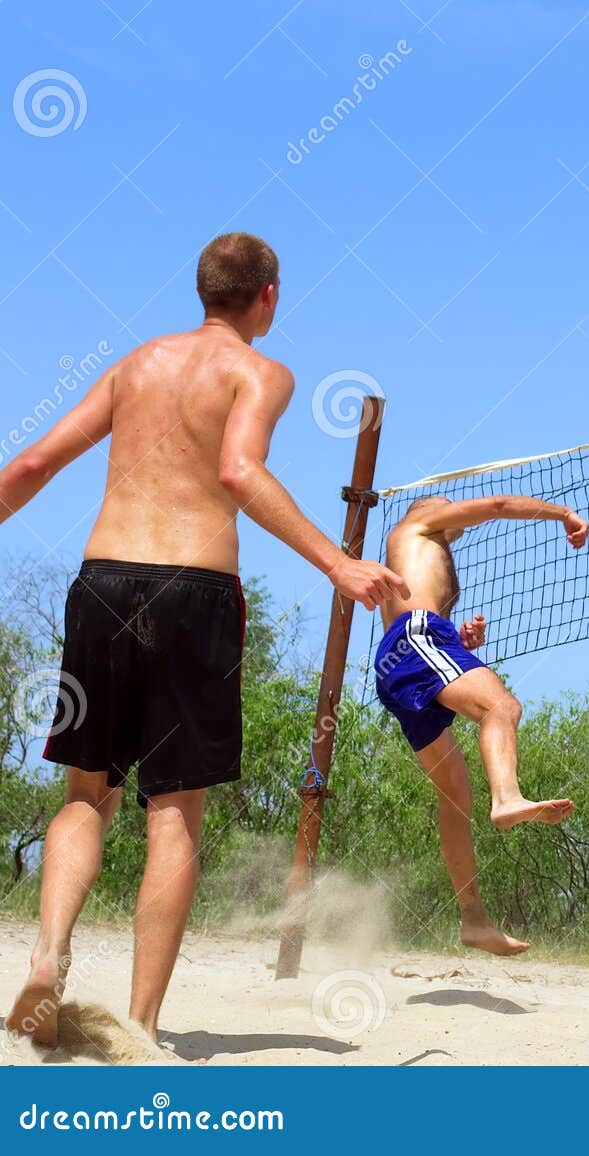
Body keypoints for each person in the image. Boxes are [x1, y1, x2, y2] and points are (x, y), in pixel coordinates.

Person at [1, 233, 407, 1046]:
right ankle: (142, 1024)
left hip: (104, 582)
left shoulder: (137, 364)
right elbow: (238, 471)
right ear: (268, 296)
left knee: (87, 793)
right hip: (192, 592)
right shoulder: (260, 371)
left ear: (202, 290)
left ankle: (48, 955)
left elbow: (37, 461)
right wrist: (339, 563)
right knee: (174, 812)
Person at [374, 494, 588, 956]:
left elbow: (413, 623)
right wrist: (563, 514)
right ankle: (508, 798)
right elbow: (497, 504)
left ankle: (474, 921)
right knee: (502, 707)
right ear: (428, 505)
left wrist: (458, 638)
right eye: (447, 501)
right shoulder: (418, 522)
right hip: (418, 638)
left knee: (455, 793)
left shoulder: (417, 555)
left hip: (411, 652)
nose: (456, 509)